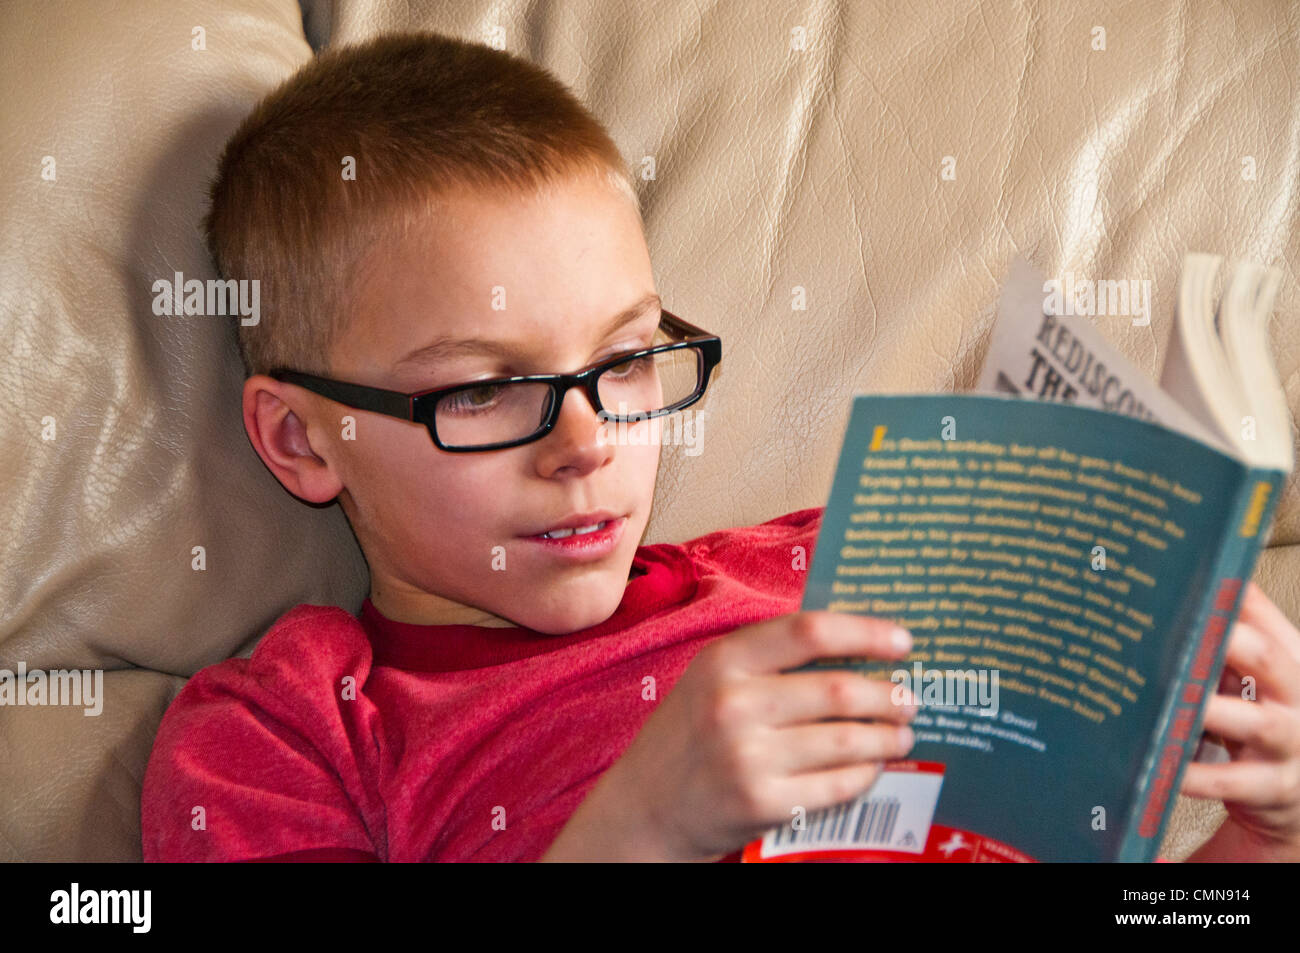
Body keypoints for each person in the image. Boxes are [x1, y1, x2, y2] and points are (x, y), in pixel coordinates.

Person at [141, 30, 1300, 863]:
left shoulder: (826, 566)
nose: (586, 444)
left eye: (626, 359)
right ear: (301, 438)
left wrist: (1259, 832)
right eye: (490, 390)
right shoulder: (290, 725)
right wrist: (640, 829)